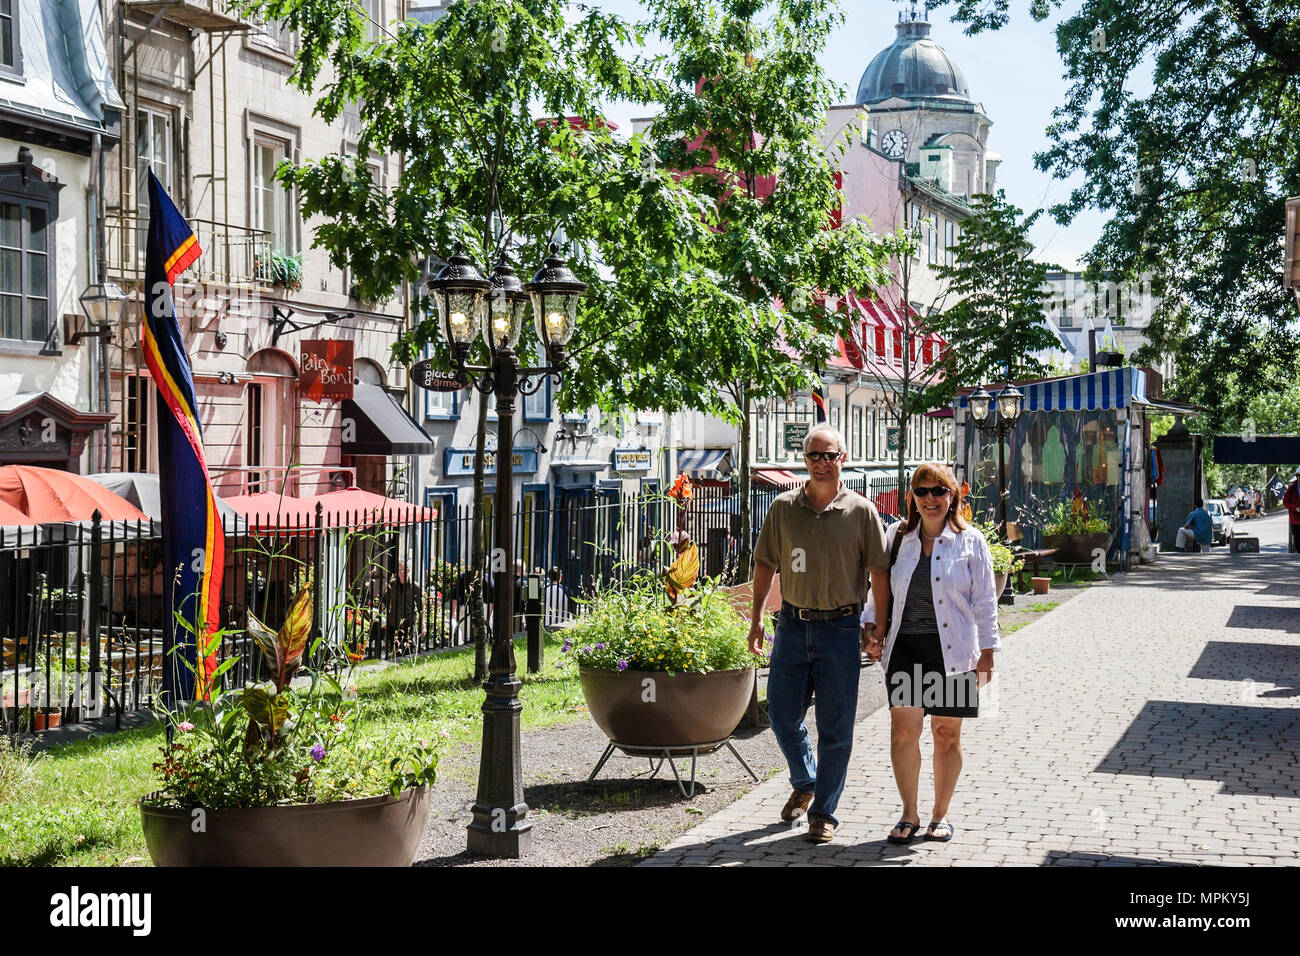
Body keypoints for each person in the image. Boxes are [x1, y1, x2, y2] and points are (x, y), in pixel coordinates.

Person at [749, 423, 890, 845]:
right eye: (815, 455)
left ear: (843, 458)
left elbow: (878, 574)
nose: (822, 463)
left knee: (836, 727)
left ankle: (824, 812)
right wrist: (757, 617)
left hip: (841, 631)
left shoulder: (862, 511)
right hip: (791, 625)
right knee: (781, 715)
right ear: (804, 460)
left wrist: (877, 626)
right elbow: (763, 566)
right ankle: (805, 779)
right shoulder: (782, 508)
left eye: (830, 455)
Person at [861, 462, 999, 845]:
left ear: (952, 495)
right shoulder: (897, 537)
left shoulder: (971, 541)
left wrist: (988, 653)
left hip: (953, 652)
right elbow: (879, 590)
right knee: (904, 733)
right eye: (922, 491)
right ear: (912, 498)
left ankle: (941, 815)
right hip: (905, 649)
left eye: (939, 491)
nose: (930, 499)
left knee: (945, 734)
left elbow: (986, 601)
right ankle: (909, 813)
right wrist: (871, 626)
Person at [1284, 469, 1300, 553]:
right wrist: (1295, 508)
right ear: (1297, 477)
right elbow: (1286, 502)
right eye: (1299, 476)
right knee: (1297, 539)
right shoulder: (1292, 487)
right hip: (1295, 519)